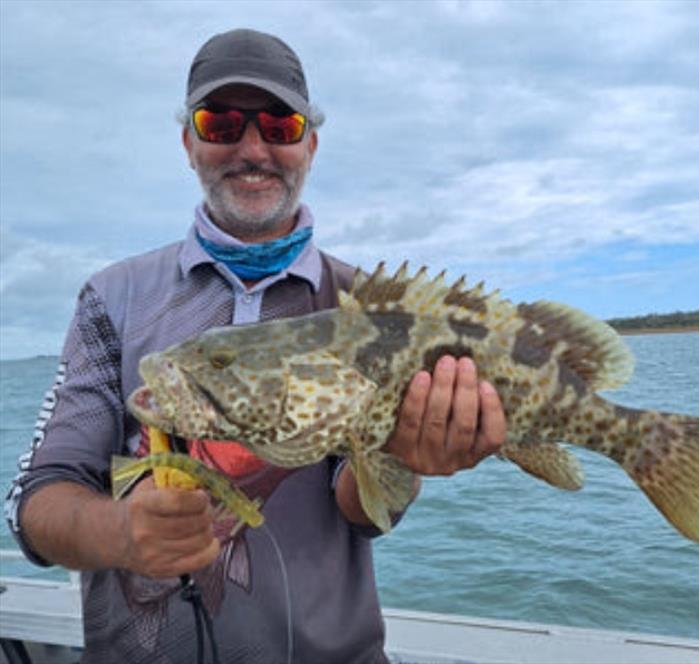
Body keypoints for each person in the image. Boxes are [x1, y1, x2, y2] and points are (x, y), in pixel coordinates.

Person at [4, 28, 506, 664]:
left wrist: (406, 458)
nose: (253, 148)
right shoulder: (113, 297)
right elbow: (36, 499)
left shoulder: (367, 305)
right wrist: (121, 532)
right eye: (221, 124)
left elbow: (361, 514)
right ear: (189, 142)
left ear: (310, 144)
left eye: (278, 123)